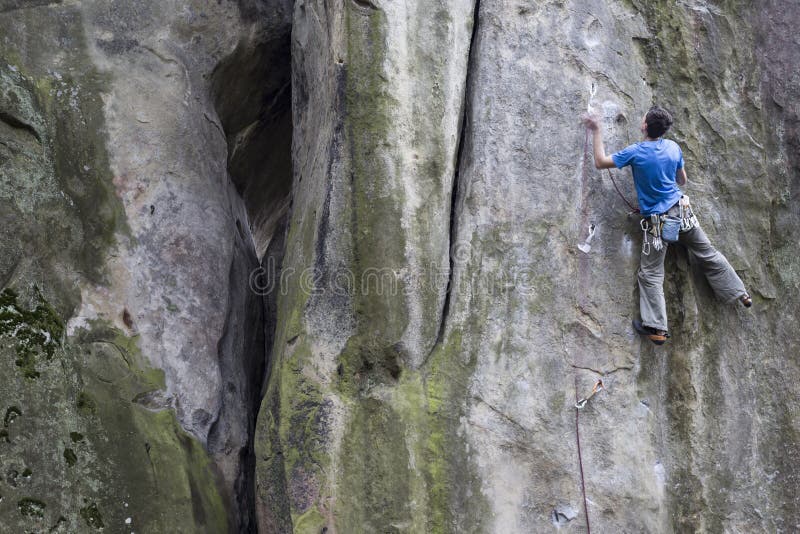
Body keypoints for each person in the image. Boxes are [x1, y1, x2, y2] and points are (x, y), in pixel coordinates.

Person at [582, 106, 751, 345]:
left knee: (650, 273)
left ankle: (657, 329)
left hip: (658, 223)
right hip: (683, 213)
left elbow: (600, 162)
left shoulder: (636, 152)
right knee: (707, 252)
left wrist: (596, 128)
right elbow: (682, 180)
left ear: (644, 127)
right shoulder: (673, 147)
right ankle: (739, 293)